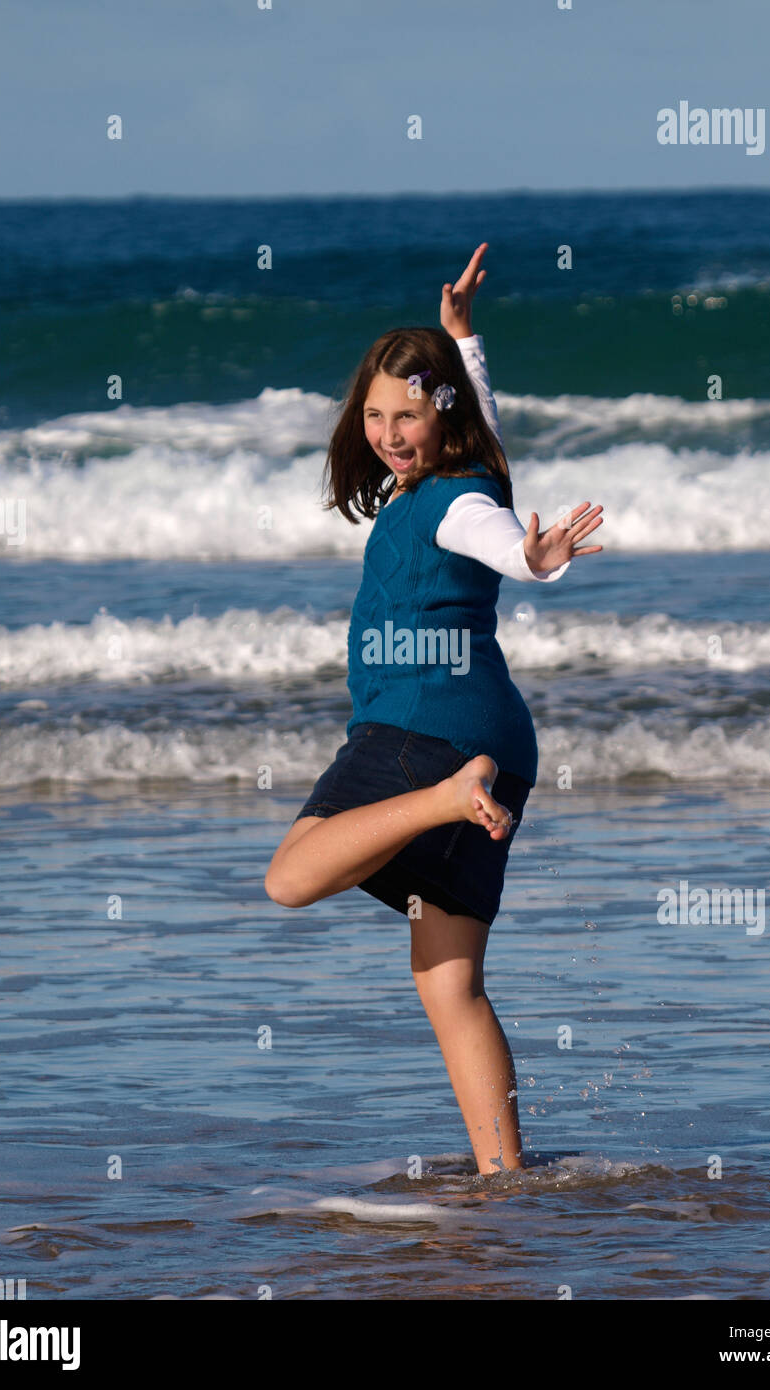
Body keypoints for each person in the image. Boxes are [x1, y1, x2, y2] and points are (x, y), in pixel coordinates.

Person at [265, 243, 604, 1174]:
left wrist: (537, 561)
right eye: (374, 414)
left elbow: (500, 545)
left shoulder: (455, 506)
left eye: (407, 413)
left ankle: (447, 798)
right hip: (496, 737)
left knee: (289, 877)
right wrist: (464, 339)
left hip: (429, 735)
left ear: (436, 413)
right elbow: (486, 430)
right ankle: (505, 1183)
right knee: (448, 981)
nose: (386, 431)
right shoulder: (474, 470)